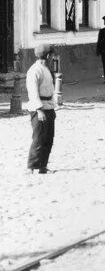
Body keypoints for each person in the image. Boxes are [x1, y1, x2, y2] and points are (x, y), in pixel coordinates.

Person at [26, 43, 57, 174]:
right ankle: (32, 166)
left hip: (49, 107)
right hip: (39, 109)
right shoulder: (35, 70)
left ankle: (42, 166)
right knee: (39, 138)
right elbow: (33, 92)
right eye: (52, 55)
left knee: (48, 138)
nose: (53, 58)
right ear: (48, 55)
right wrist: (39, 110)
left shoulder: (46, 69)